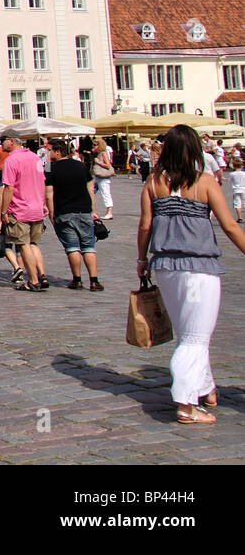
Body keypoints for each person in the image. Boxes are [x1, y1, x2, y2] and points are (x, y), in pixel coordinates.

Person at [136, 124, 245, 424]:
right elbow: (230, 225)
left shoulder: (153, 182)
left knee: (190, 333)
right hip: (198, 267)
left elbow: (145, 225)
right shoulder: (204, 182)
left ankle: (206, 388)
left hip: (166, 266)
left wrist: (141, 259)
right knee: (196, 336)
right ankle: (186, 403)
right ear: (195, 150)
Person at [45, 138, 103, 291]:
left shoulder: (50, 169)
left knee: (72, 248)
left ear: (57, 151)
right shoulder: (80, 166)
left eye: (48, 150)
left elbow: (49, 194)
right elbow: (91, 188)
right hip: (84, 210)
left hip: (64, 212)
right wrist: (93, 210)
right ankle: (94, 280)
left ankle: (77, 280)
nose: (46, 153)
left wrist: (51, 214)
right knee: (89, 247)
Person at [0, 135, 48, 292]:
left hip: (20, 209)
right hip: (37, 207)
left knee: (23, 244)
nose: (1, 144)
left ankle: (33, 281)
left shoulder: (11, 160)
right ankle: (42, 275)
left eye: (3, 141)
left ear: (11, 141)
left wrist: (4, 211)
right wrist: (44, 203)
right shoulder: (36, 157)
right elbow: (43, 181)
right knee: (34, 244)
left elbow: (8, 188)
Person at [92, 138, 115, 219]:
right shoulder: (99, 154)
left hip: (104, 178)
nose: (93, 146)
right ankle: (91, 211)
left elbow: (108, 165)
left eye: (95, 145)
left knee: (106, 194)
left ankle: (109, 212)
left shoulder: (103, 154)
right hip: (99, 177)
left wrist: (98, 162)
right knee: (92, 192)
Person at [227, 157, 245, 223]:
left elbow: (228, 180)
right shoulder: (244, 174)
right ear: (242, 166)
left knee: (237, 204)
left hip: (236, 190)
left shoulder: (232, 174)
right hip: (244, 189)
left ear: (234, 166)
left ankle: (240, 218)